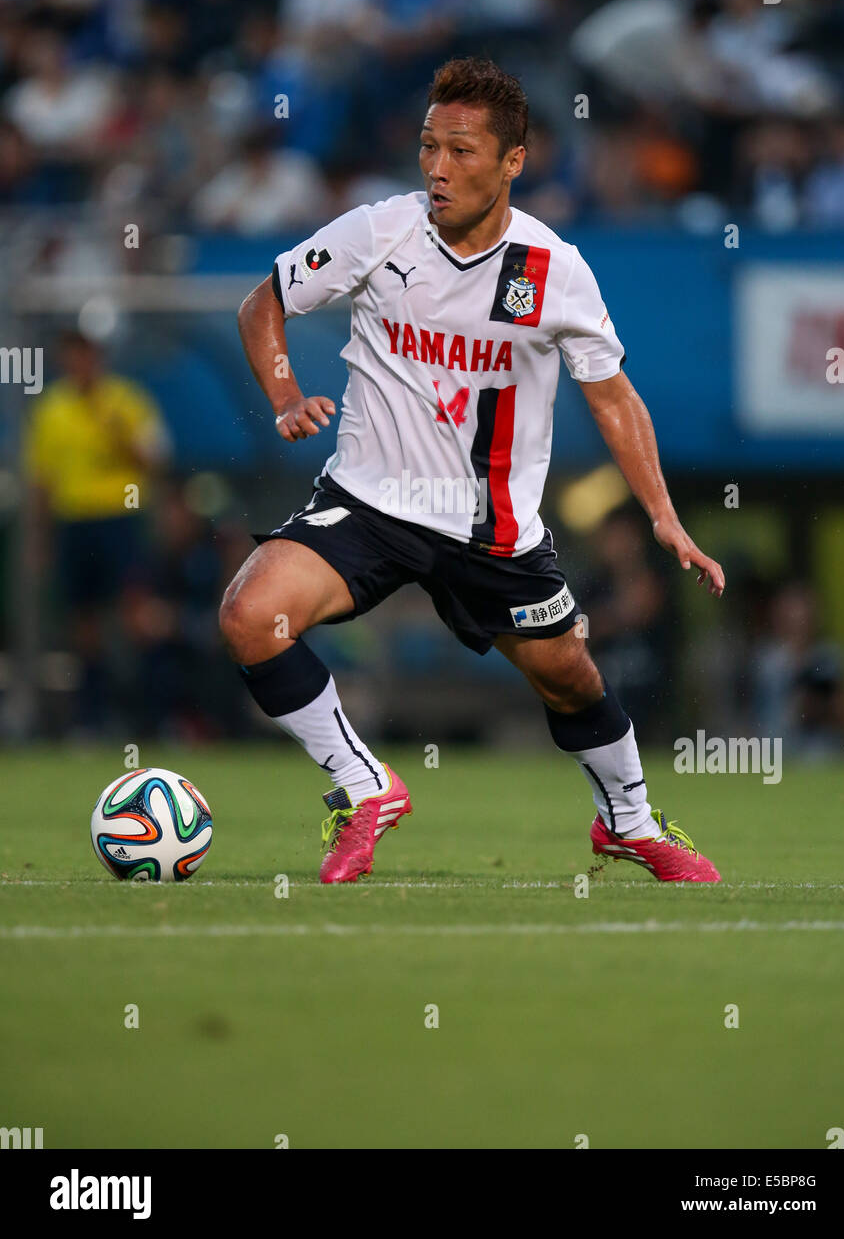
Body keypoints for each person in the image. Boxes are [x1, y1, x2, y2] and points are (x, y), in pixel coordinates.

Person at [219, 56, 726, 885]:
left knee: (570, 679)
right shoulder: (379, 232)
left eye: (459, 152)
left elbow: (614, 398)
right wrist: (282, 393)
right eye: (427, 148)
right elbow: (262, 302)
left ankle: (627, 824)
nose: (437, 169)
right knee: (251, 614)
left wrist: (665, 517)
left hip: (493, 531)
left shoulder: (553, 269)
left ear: (512, 161)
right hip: (370, 504)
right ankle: (365, 785)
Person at [24, 330, 170, 732]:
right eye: (71, 356)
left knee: (138, 616)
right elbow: (41, 480)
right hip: (74, 523)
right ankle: (91, 719)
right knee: (83, 625)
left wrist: (120, 437)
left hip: (120, 519)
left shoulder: (126, 400)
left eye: (85, 355)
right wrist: (39, 539)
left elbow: (155, 460)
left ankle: (154, 719)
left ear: (98, 357)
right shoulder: (51, 409)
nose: (79, 364)